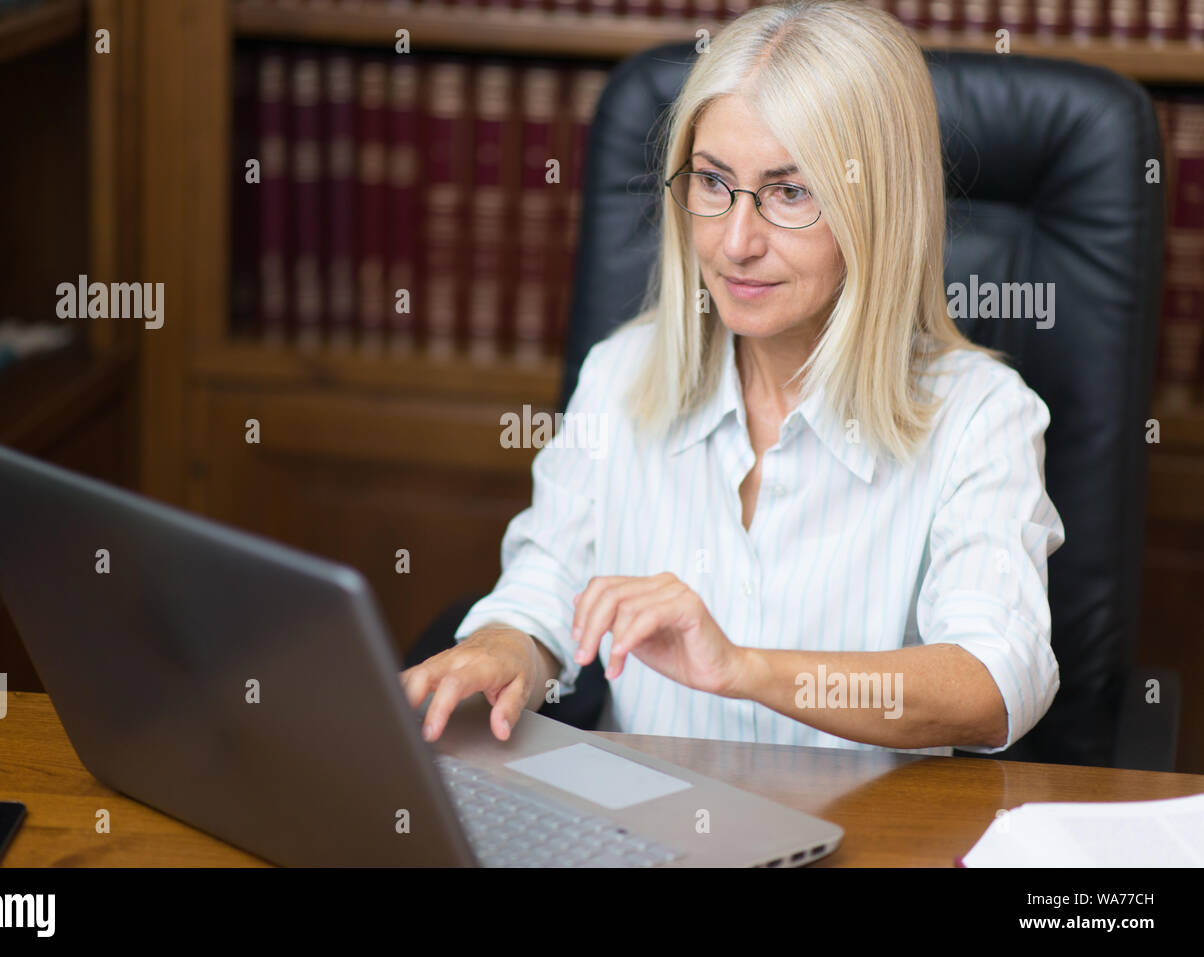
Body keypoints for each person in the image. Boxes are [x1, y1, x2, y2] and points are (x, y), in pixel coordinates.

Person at [400, 0, 1065, 756]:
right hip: (653, 827)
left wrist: (744, 669)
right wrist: (502, 647)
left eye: (790, 192)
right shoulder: (622, 374)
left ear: (876, 209)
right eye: (712, 183)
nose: (735, 241)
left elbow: (994, 682)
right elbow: (548, 582)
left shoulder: (981, 416)